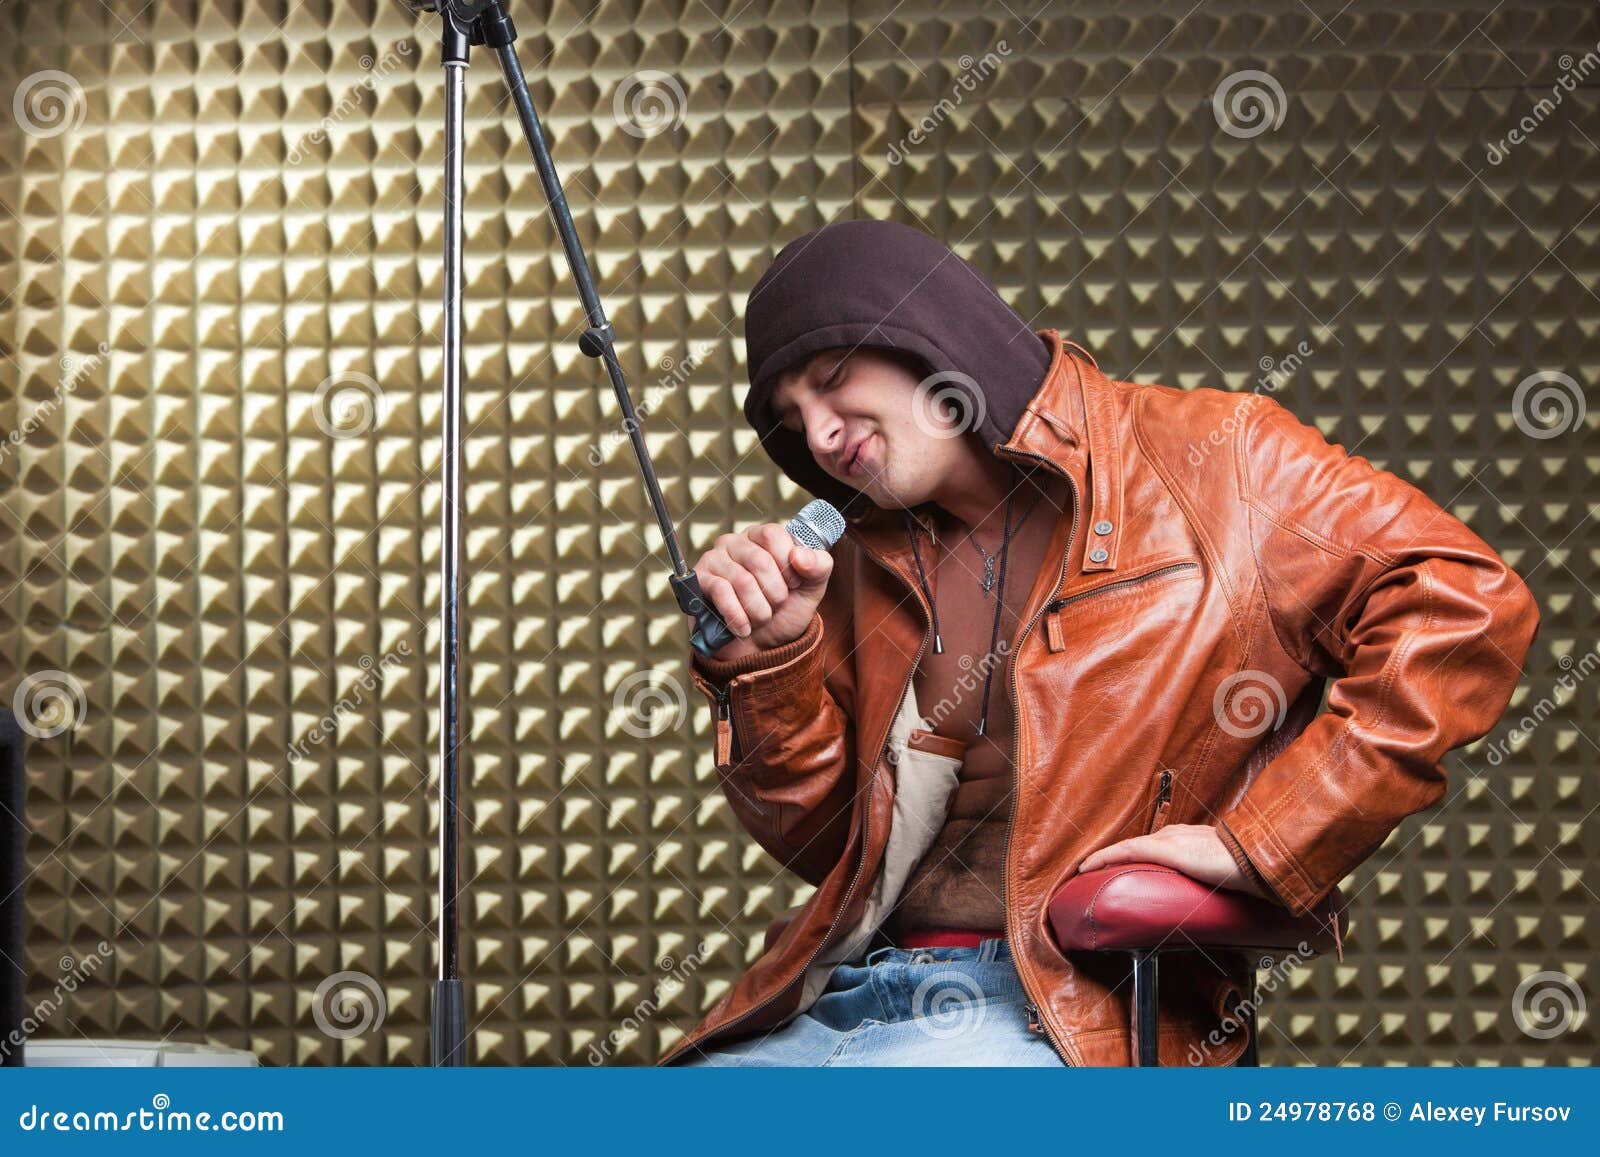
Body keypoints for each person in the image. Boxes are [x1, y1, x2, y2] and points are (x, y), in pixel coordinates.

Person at [660, 218, 1540, 1067]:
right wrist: (769, 664)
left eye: (833, 376)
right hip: (847, 990)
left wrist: (1265, 837)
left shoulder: (1215, 460)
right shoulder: (862, 564)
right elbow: (832, 850)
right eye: (793, 416)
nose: (819, 434)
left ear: (924, 329)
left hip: (1059, 1013)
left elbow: (1465, 598)